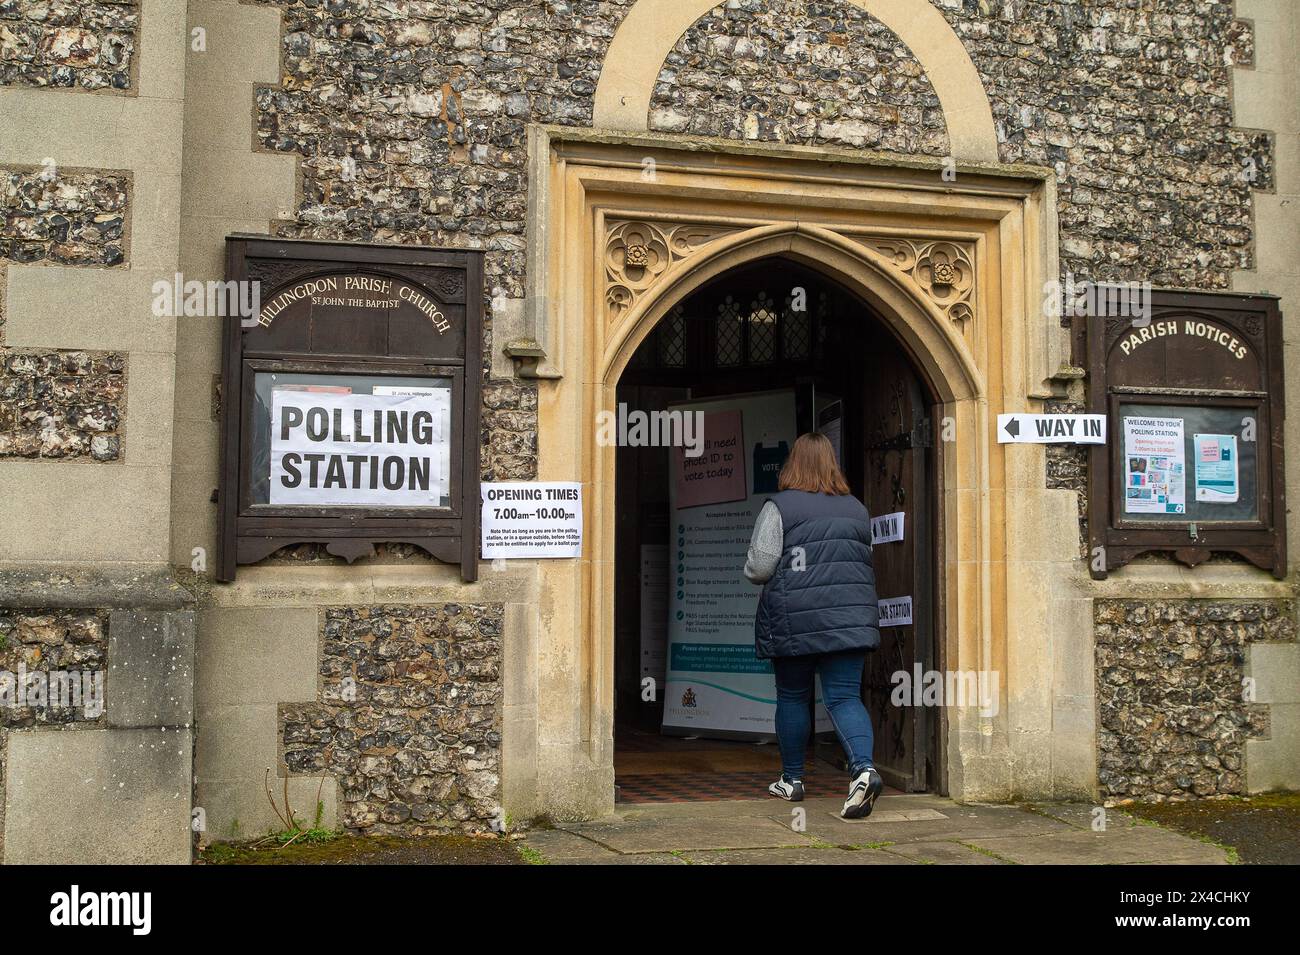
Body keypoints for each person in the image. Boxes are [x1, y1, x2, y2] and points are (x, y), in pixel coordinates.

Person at [744, 431, 884, 819]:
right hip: (849, 620)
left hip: (795, 619)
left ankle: (791, 780)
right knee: (844, 697)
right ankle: (864, 770)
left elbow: (760, 567)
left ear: (793, 464)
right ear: (832, 464)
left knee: (792, 696)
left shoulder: (780, 507)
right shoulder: (856, 508)